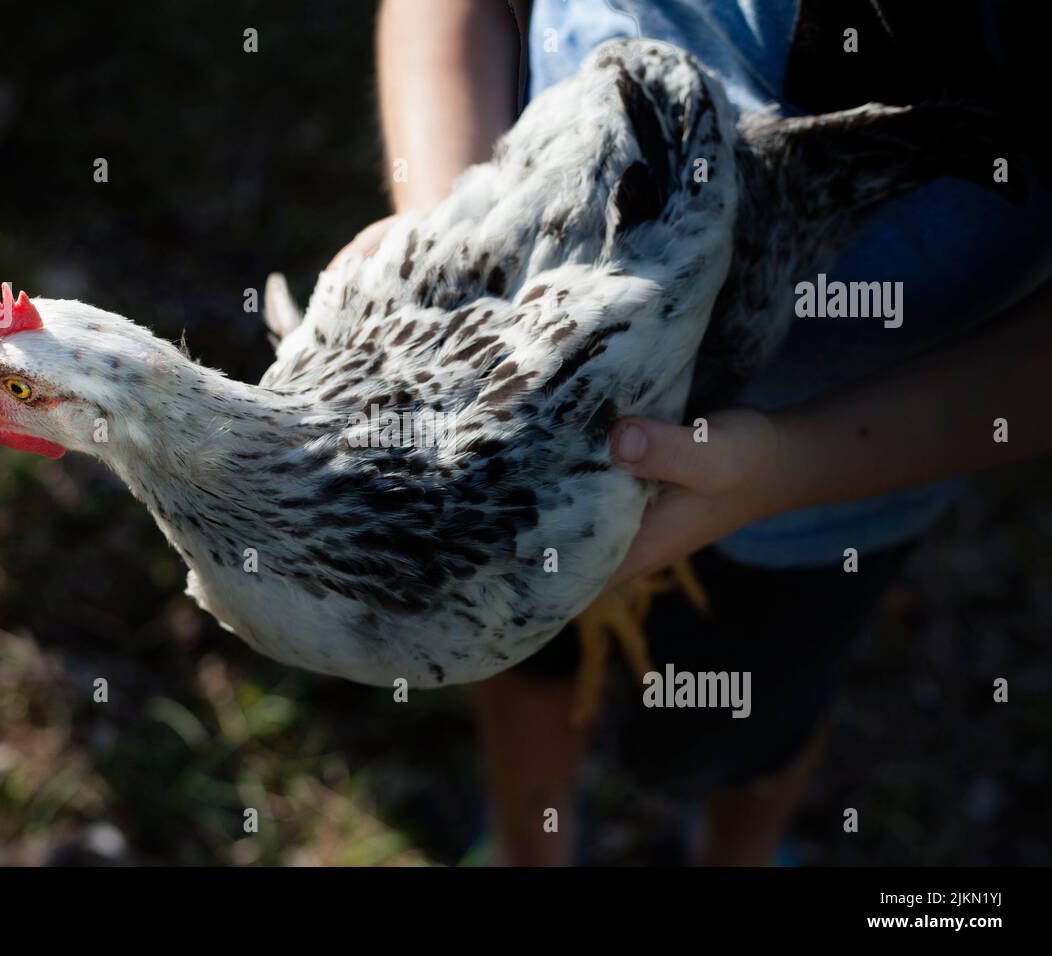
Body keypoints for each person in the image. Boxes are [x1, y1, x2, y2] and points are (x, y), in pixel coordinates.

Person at [330, 0, 1052, 865]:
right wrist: (448, 226)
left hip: (836, 479)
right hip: (521, 438)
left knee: (742, 721)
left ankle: (736, 855)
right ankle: (531, 844)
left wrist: (782, 471)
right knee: (520, 651)